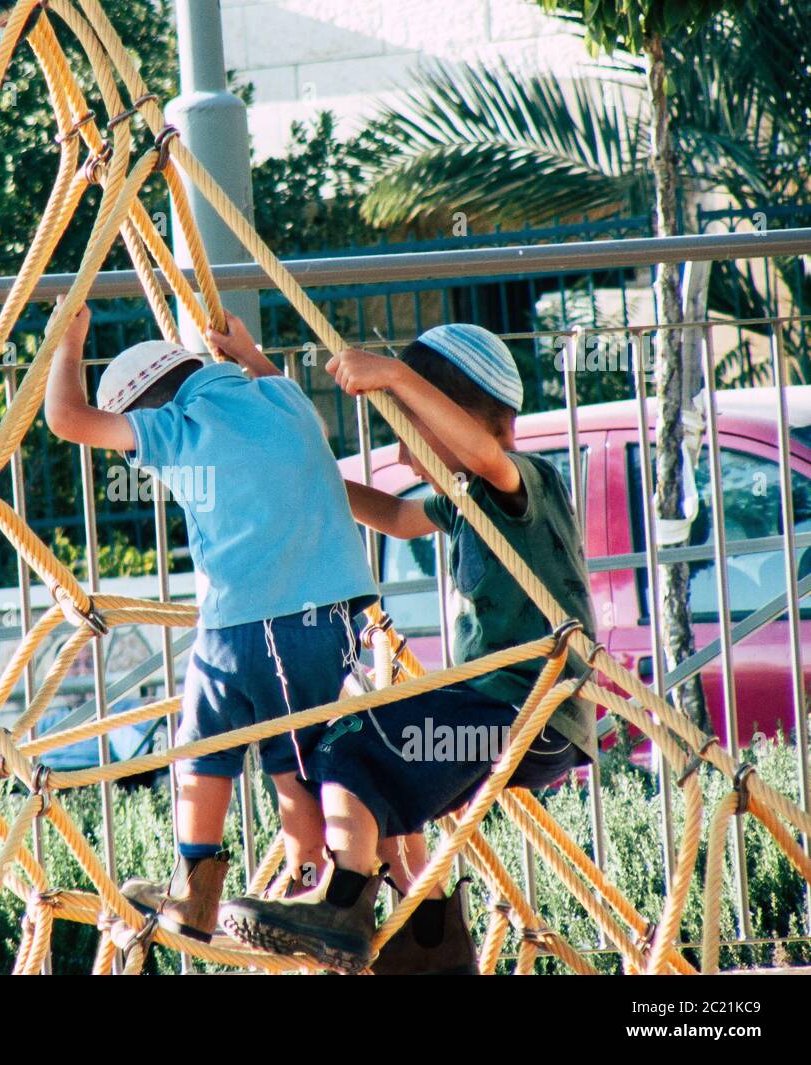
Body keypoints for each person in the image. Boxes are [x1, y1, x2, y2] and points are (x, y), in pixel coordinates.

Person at [220, 323, 598, 974]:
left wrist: (395, 376)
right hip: (496, 720)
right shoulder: (466, 501)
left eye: (406, 431)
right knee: (389, 779)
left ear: (454, 418)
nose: (400, 455)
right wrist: (266, 392)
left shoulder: (519, 484)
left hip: (524, 718)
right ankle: (430, 947)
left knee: (352, 741)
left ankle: (340, 908)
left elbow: (486, 456)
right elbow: (393, 516)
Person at [43, 299, 377, 942]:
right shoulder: (285, 400)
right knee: (297, 752)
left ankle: (249, 895)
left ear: (143, 410)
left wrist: (69, 340)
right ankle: (307, 884)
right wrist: (246, 350)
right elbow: (265, 371)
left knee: (204, 750)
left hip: (254, 621)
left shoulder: (178, 426)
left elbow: (67, 419)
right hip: (324, 622)